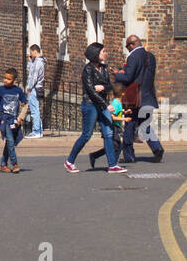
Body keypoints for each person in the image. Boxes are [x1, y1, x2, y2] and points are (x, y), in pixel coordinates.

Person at [63, 42, 123, 175]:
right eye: (103, 51)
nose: (105, 53)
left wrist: (103, 87)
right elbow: (90, 91)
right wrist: (106, 105)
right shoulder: (87, 70)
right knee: (86, 135)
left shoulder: (104, 68)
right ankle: (70, 161)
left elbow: (109, 85)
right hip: (90, 105)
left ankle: (112, 165)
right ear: (95, 54)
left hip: (101, 105)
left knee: (108, 133)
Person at [115, 35, 164, 164]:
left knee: (130, 125)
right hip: (148, 97)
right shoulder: (150, 56)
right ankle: (157, 148)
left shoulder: (133, 56)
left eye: (127, 46)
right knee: (144, 124)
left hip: (135, 98)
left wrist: (117, 74)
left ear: (132, 44)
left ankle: (129, 156)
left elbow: (128, 78)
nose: (127, 49)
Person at [0, 69, 27, 173]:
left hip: (14, 120)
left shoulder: (18, 91)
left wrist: (20, 117)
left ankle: (3, 164)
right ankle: (15, 164)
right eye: (5, 78)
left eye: (9, 79)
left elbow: (25, 104)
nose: (5, 80)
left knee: (10, 142)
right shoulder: (1, 90)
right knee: (10, 141)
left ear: (14, 80)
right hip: (4, 119)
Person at [25, 44, 46, 139]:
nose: (30, 54)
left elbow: (34, 76)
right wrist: (30, 62)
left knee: (34, 110)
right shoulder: (37, 62)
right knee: (35, 109)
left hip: (34, 88)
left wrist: (29, 87)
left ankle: (37, 131)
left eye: (30, 52)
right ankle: (39, 130)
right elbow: (30, 70)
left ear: (35, 51)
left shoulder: (38, 63)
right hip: (36, 87)